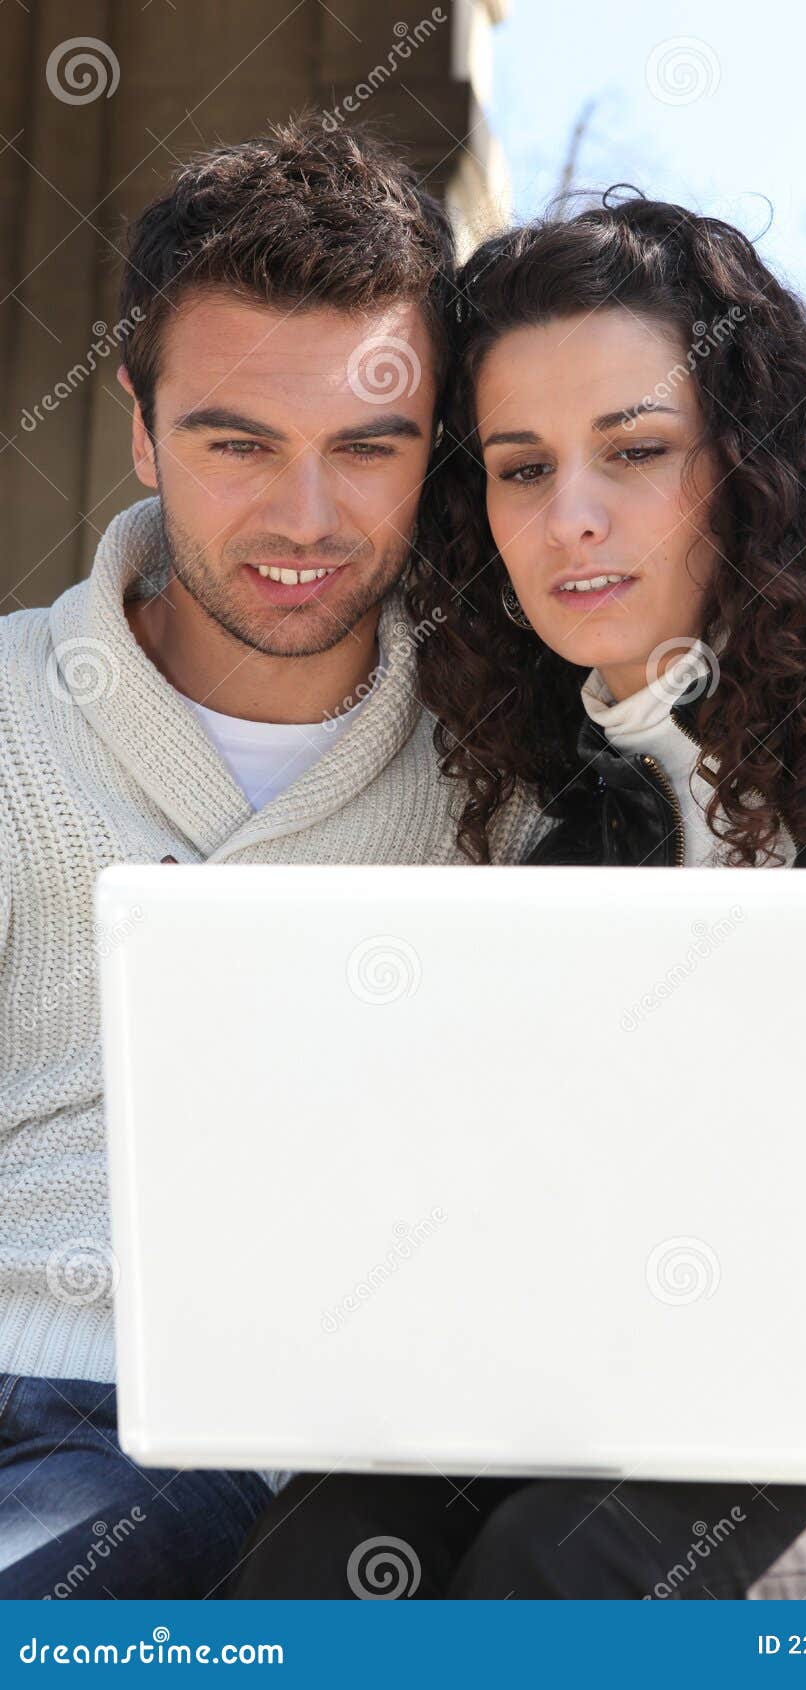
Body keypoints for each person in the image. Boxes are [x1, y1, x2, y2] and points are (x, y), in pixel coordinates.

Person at [231, 194, 806, 1599]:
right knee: (329, 1546)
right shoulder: (563, 824)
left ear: (755, 462)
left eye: (637, 451)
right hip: (662, 1425)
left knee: (588, 1564)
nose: (572, 518)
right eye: (519, 467)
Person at [0, 113, 547, 1600]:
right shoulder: (7, 721)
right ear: (137, 421)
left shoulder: (513, 770)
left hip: (197, 1450)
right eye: (237, 441)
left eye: (365, 448)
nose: (303, 519)